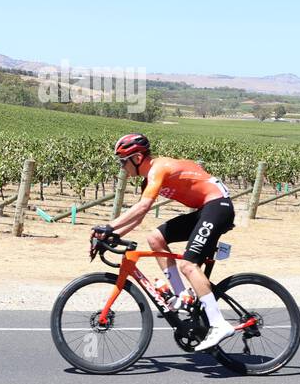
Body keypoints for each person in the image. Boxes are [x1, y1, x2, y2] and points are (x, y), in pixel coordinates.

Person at [96, 133, 237, 352]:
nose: (122, 167)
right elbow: (139, 217)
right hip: (205, 210)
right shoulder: (148, 180)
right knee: (155, 238)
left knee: (188, 265)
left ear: (137, 158)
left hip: (218, 206)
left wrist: (109, 226)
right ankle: (181, 296)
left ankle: (219, 324)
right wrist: (110, 235)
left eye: (123, 162)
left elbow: (143, 207)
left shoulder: (159, 168)